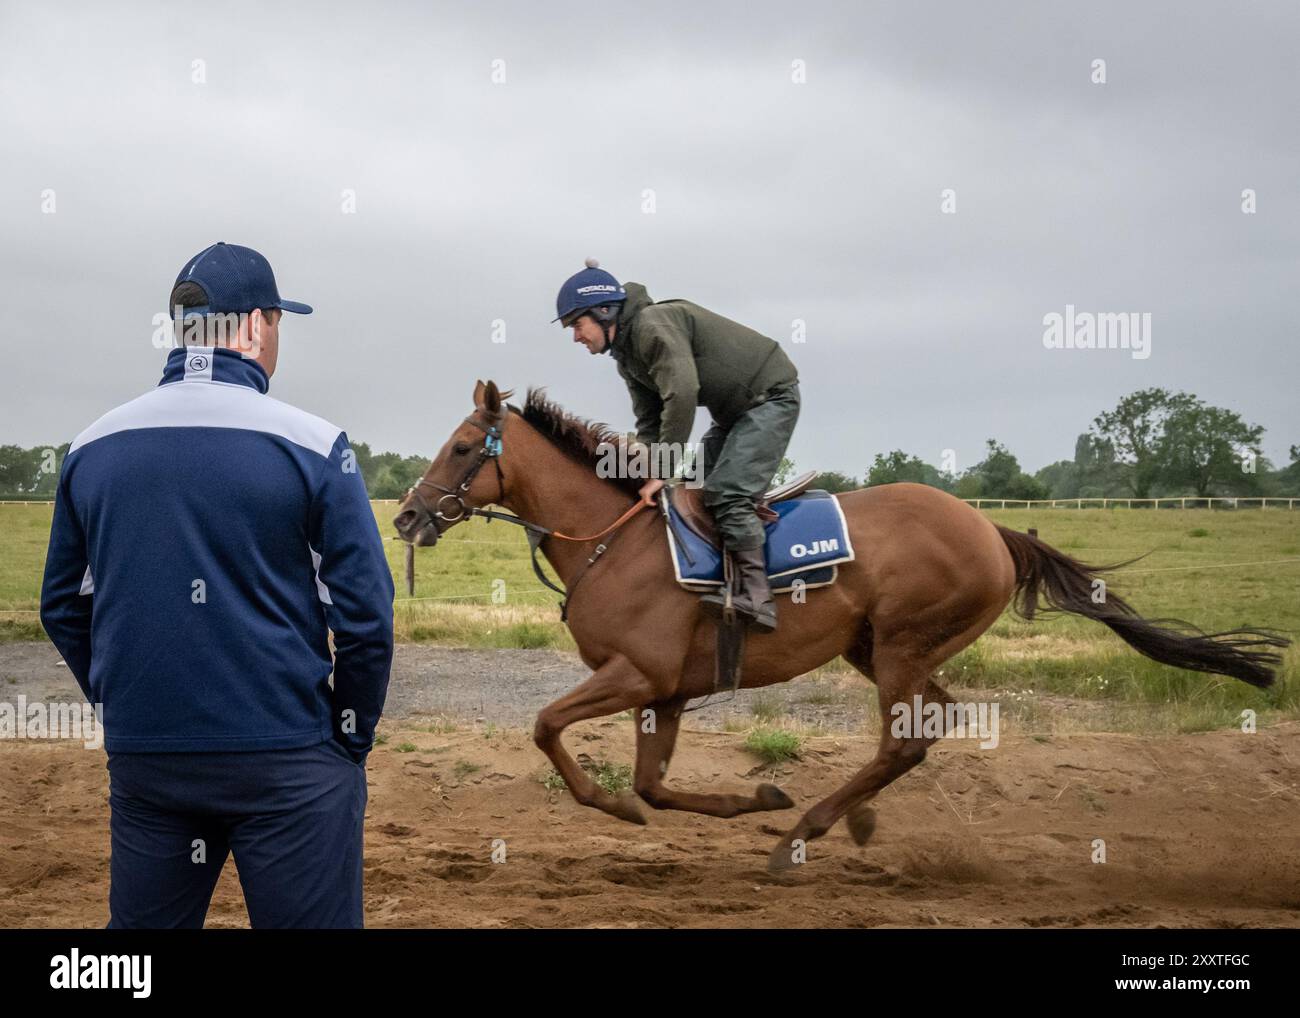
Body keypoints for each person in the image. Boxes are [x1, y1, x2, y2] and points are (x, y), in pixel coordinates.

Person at [40, 242, 395, 928]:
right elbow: (365, 620)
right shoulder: (316, 445)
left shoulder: (92, 445)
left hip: (148, 762)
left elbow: (62, 604)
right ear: (259, 325)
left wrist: (125, 705)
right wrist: (347, 739)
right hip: (288, 758)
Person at [554, 259, 800, 631]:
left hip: (771, 400)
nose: (576, 336)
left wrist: (663, 470)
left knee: (728, 494)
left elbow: (682, 394)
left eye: (577, 324)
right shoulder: (626, 358)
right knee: (692, 490)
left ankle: (759, 599)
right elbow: (650, 425)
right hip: (734, 415)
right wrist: (647, 472)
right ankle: (720, 582)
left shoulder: (653, 326)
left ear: (604, 313)